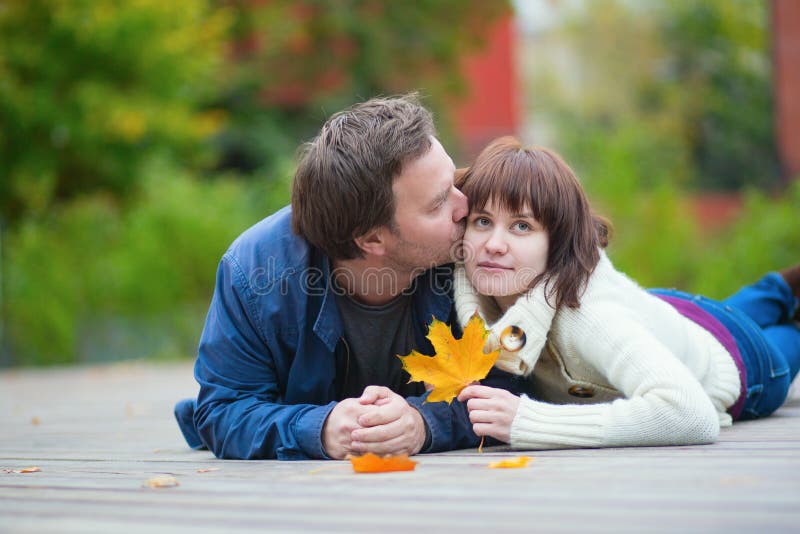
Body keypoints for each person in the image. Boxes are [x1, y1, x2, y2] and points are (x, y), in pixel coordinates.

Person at [173, 94, 515, 460]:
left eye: (453, 182)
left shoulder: (479, 247)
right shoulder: (256, 271)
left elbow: (517, 385)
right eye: (438, 203)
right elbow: (224, 411)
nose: (465, 206)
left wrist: (424, 422)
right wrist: (318, 429)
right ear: (371, 239)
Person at [453, 136, 800, 449]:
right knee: (729, 311)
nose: (494, 244)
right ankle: (776, 289)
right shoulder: (461, 279)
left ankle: (782, 294)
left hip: (740, 358)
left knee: (787, 337)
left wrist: (528, 422)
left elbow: (691, 414)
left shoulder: (591, 318)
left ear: (557, 243)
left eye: (521, 226)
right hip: (660, 310)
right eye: (483, 221)